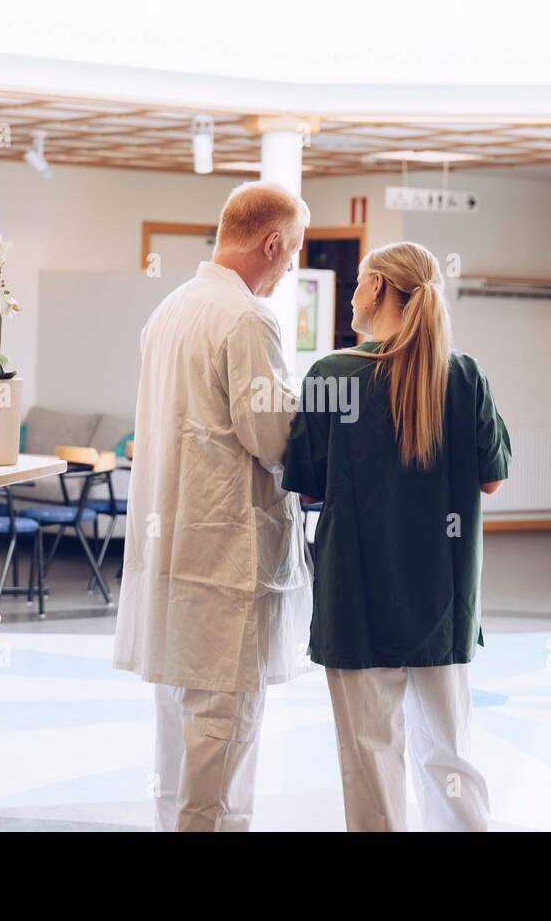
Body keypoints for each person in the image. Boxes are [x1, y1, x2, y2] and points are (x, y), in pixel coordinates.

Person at [282, 241, 511, 832]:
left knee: (370, 760)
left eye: (358, 282)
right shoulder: (464, 375)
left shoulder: (333, 375)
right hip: (443, 604)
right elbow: (491, 480)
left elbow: (307, 484)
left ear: (379, 285)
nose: (352, 295)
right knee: (452, 755)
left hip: (357, 603)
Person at [114, 181, 313, 832]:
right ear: (272, 241)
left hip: (173, 558)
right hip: (225, 561)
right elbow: (269, 435)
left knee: (178, 730)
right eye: (292, 255)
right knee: (222, 740)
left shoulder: (169, 309)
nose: (289, 272)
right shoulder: (248, 318)